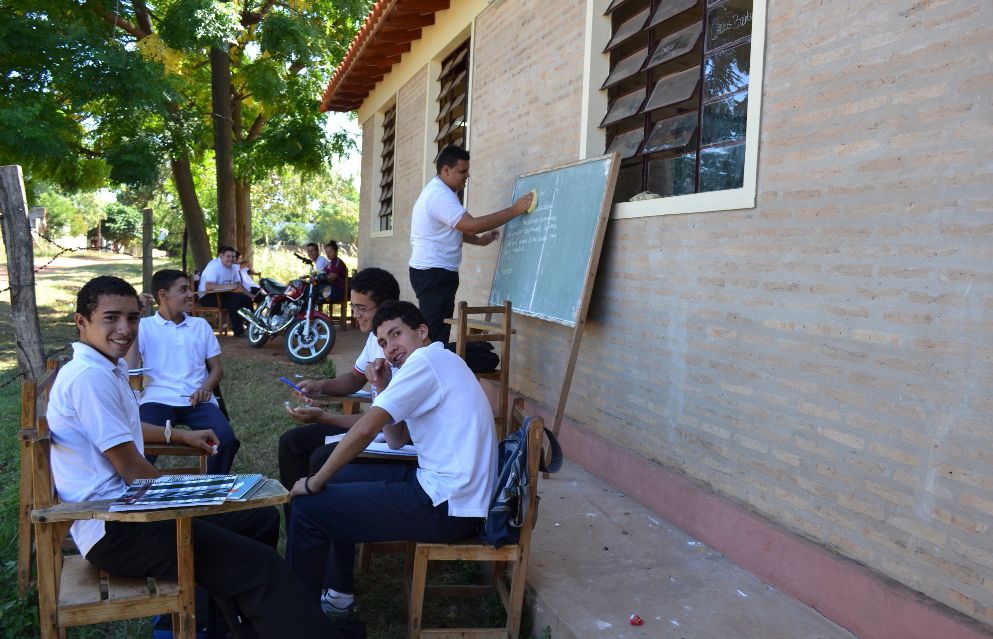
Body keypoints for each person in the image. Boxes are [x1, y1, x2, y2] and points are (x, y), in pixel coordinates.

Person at [47, 275, 341, 639]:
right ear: (82, 322)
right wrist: (207, 495)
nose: (124, 329)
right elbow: (135, 473)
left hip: (129, 512)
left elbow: (126, 430)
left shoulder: (107, 366)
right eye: (111, 318)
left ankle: (226, 626)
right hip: (116, 528)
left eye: (132, 318)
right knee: (259, 565)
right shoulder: (90, 377)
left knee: (260, 519)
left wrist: (180, 435)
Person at [286, 301, 497, 615]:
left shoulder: (425, 361)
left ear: (422, 331)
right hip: (446, 491)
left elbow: (365, 431)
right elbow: (397, 440)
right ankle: (329, 590)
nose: (389, 348)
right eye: (383, 342)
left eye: (396, 334)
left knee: (308, 506)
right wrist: (383, 386)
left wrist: (315, 482)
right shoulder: (436, 360)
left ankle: (294, 617)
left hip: (448, 506)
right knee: (337, 482)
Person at [277, 267, 400, 495]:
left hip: (386, 437)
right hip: (371, 427)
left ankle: (315, 517)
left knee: (319, 458)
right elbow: (355, 377)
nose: (355, 314)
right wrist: (320, 385)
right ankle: (297, 511)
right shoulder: (375, 338)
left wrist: (327, 417)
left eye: (361, 308)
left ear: (385, 307)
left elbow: (377, 424)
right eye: (353, 306)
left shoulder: (401, 351)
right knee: (290, 443)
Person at [409, 144, 534, 343]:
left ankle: (431, 371)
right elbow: (471, 226)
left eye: (467, 171)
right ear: (445, 170)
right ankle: (428, 373)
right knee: (433, 336)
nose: (467, 176)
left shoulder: (441, 192)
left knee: (436, 332)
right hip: (434, 274)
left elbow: (451, 230)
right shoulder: (439, 195)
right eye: (462, 171)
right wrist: (514, 210)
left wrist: (479, 241)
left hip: (434, 273)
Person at [126, 269, 240, 474]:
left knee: (226, 439)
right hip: (157, 399)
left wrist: (206, 388)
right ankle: (139, 490)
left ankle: (209, 489)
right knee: (135, 442)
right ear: (163, 295)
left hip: (196, 400)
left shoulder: (200, 325)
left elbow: (217, 369)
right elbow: (131, 366)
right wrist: (134, 320)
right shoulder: (145, 326)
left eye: (190, 289)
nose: (191, 294)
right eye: (183, 289)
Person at [197, 244, 253, 337]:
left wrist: (251, 296)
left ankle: (252, 327)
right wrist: (229, 286)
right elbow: (208, 286)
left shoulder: (232, 267)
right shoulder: (214, 266)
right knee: (233, 301)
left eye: (233, 257)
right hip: (206, 295)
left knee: (245, 299)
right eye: (228, 256)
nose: (231, 259)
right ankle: (239, 332)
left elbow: (238, 285)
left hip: (222, 294)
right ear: (221, 256)